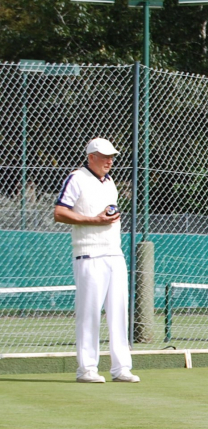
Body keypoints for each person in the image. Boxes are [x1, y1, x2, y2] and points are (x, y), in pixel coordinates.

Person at [54, 138, 139, 383]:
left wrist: (106, 219)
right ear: (91, 157)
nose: (109, 161)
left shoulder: (110, 182)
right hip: (88, 255)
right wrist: (95, 220)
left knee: (119, 313)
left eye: (112, 156)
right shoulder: (77, 178)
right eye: (104, 156)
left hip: (115, 254)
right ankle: (87, 369)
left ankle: (121, 368)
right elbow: (59, 212)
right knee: (89, 313)